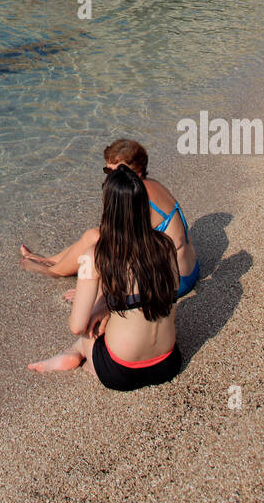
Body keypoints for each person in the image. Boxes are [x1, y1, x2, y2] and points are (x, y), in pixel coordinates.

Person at [28, 165, 182, 387]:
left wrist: (97, 306)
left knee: (87, 334)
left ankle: (76, 352)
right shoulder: (165, 245)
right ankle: (78, 352)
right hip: (168, 364)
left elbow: (77, 326)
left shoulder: (97, 257)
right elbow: (165, 296)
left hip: (121, 372)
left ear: (109, 208)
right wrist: (108, 307)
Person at [21, 138, 200, 298]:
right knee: (94, 234)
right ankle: (50, 260)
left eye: (116, 172)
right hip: (187, 268)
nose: (110, 178)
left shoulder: (139, 199)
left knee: (101, 242)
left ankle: (53, 271)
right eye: (108, 170)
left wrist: (95, 295)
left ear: (136, 173)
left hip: (172, 283)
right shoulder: (148, 185)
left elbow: (120, 250)